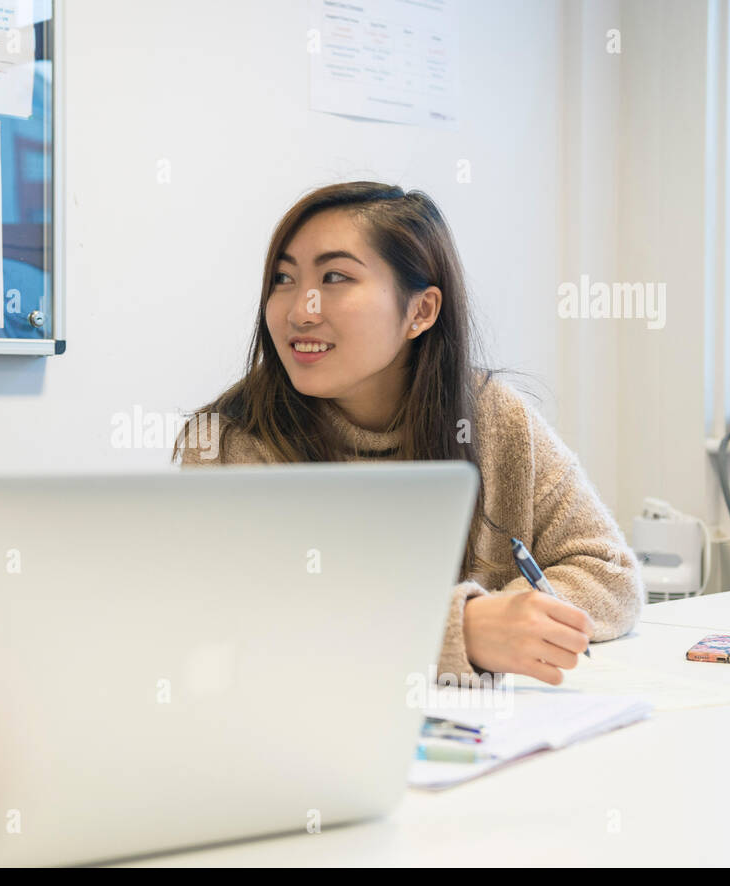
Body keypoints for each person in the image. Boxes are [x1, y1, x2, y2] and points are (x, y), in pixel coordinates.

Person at [174, 182, 643, 685]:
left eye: (334, 277)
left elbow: (611, 576)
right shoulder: (229, 441)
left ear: (420, 311)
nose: (298, 311)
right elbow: (239, 622)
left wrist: (508, 619)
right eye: (284, 278)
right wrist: (459, 630)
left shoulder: (494, 418)